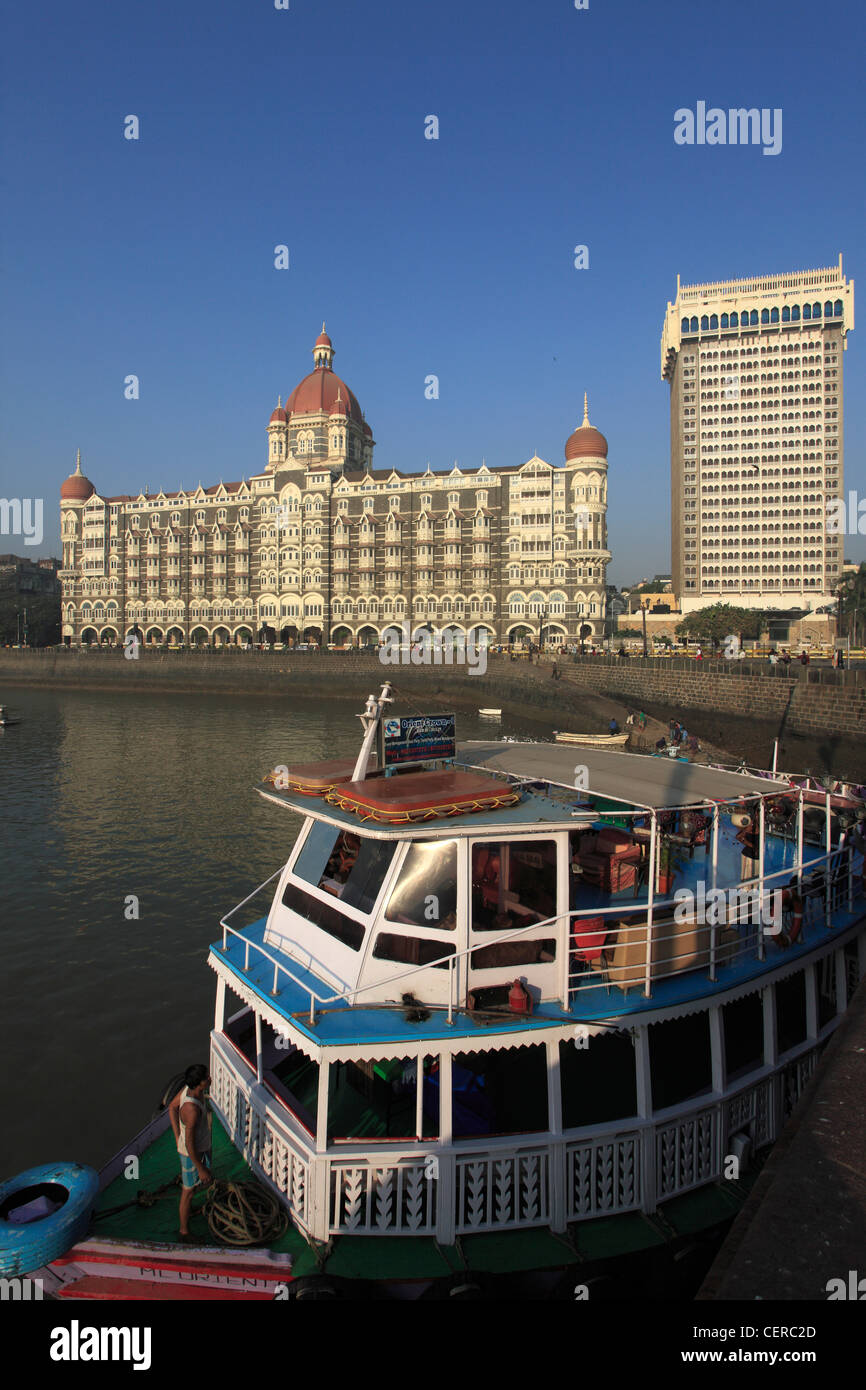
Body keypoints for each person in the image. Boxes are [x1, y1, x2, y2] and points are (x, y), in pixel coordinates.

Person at [169, 1064, 213, 1239]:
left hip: (198, 1147)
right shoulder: (191, 1110)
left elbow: (172, 1107)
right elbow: (189, 1144)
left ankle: (190, 1211)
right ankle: (184, 1231)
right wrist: (200, 1168)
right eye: (206, 1078)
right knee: (187, 1191)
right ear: (199, 1084)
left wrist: (176, 1135)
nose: (209, 1079)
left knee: (193, 1187)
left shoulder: (189, 1089)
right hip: (192, 1153)